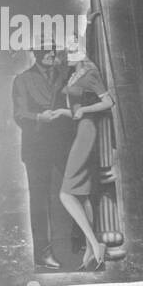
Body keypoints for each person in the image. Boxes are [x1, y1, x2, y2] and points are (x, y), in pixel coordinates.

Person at [51, 32, 115, 270]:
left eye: (69, 49)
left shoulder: (89, 73)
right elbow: (77, 110)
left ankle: (96, 244)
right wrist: (61, 113)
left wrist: (85, 111)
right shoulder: (75, 74)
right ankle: (90, 251)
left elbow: (108, 102)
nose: (65, 54)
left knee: (65, 194)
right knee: (83, 195)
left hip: (87, 132)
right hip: (80, 128)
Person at [12, 43, 76, 270]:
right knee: (40, 202)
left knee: (78, 189)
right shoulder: (22, 80)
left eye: (53, 49)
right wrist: (40, 118)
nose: (52, 53)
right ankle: (43, 253)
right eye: (46, 50)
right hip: (37, 149)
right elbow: (19, 114)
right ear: (36, 54)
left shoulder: (65, 73)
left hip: (64, 145)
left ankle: (79, 243)